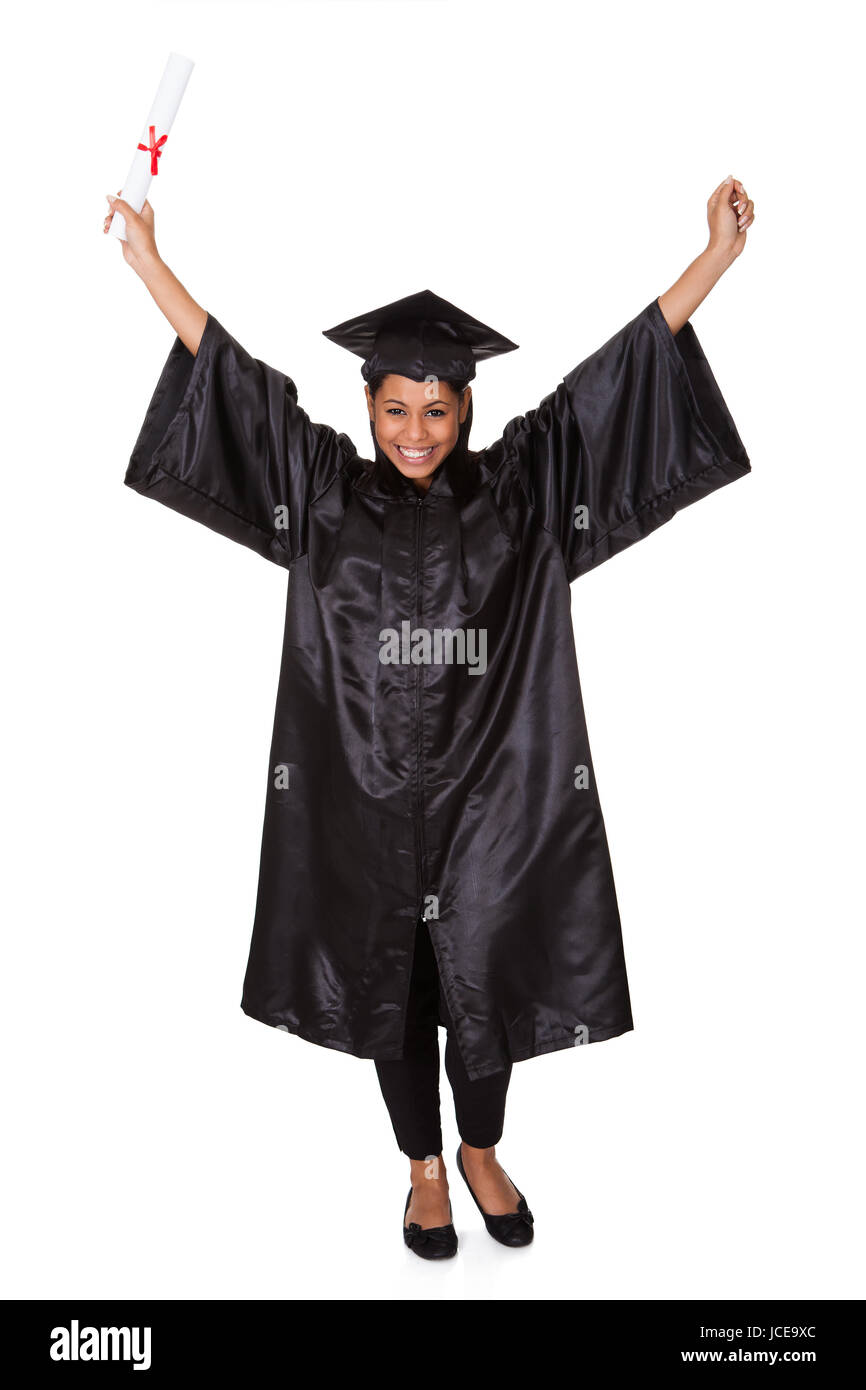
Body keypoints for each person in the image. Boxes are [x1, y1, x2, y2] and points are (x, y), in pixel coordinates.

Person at [105, 175, 755, 1260]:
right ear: (367, 407)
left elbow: (616, 379)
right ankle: (420, 1167)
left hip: (492, 805)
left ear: (467, 410)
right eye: (395, 408)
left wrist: (716, 259)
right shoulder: (318, 493)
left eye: (437, 408)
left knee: (487, 977)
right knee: (393, 993)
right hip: (358, 800)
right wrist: (146, 262)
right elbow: (236, 381)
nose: (415, 430)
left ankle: (482, 1148)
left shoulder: (523, 492)